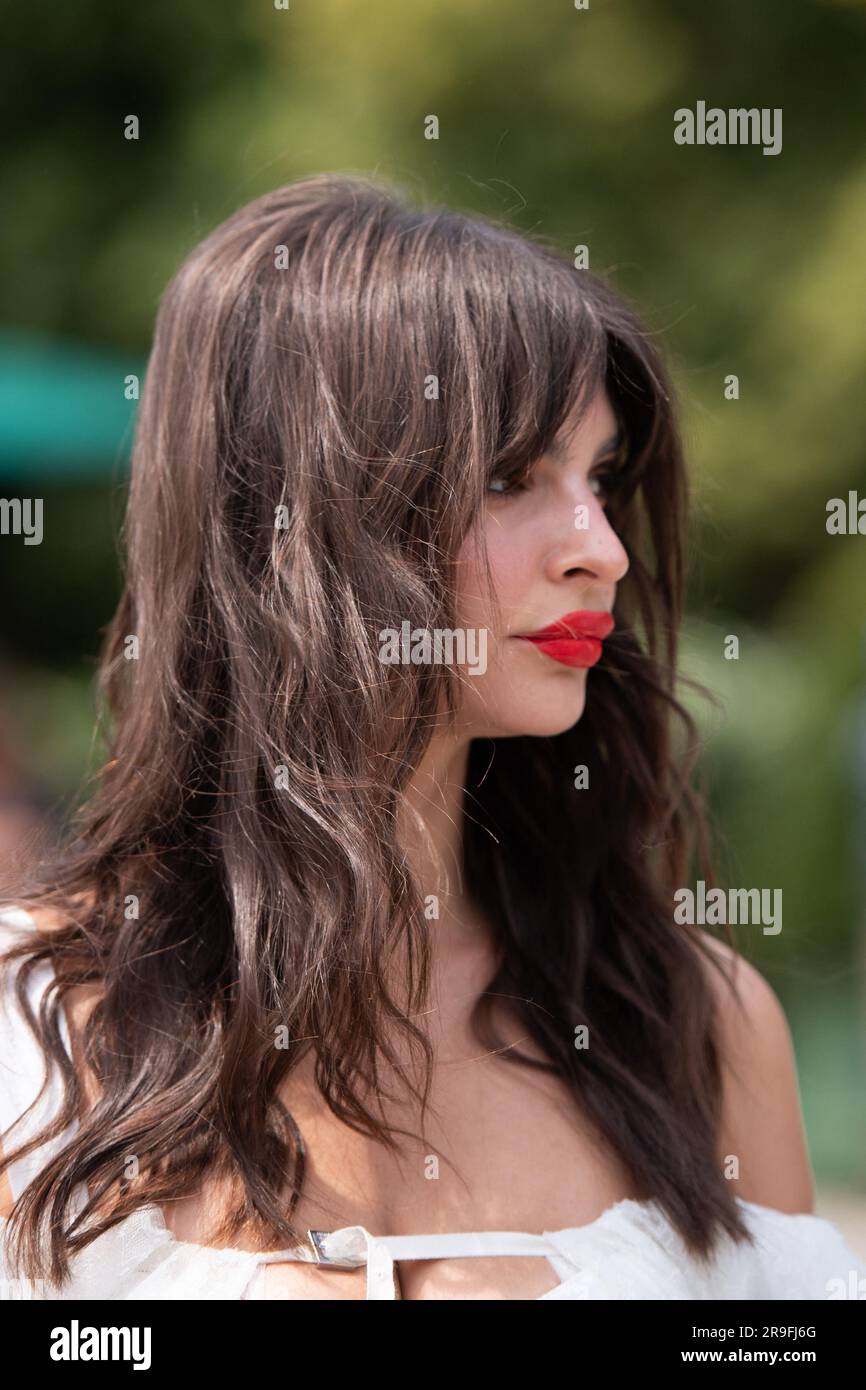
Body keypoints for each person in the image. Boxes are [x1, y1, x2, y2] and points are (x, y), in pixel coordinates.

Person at [1, 173, 863, 1301]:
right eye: (511, 475)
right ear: (299, 520)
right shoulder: (39, 1023)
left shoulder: (688, 1020)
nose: (598, 546)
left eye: (600, 478)